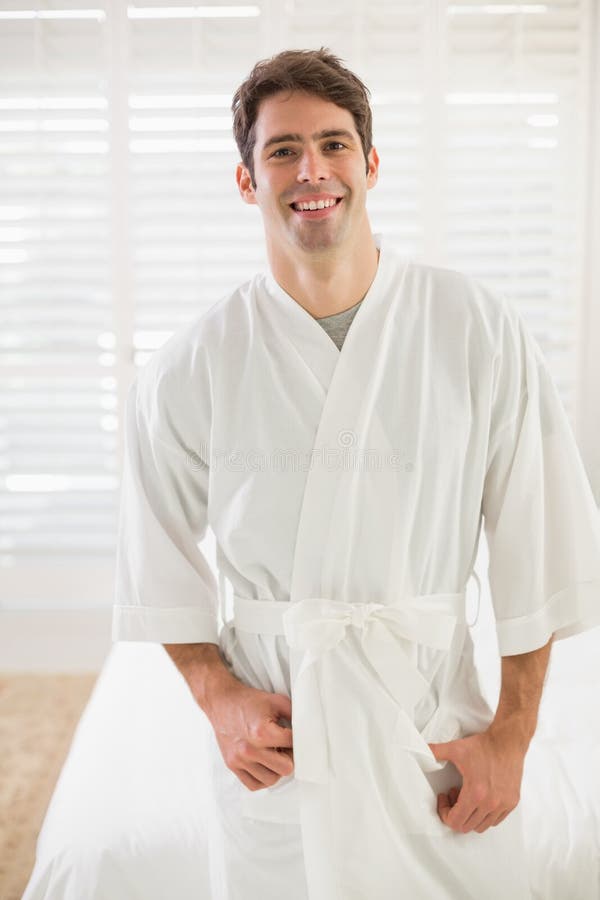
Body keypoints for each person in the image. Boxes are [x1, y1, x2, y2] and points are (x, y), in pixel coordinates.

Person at [112, 47, 600, 900]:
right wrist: (216, 694)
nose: (313, 170)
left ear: (370, 165)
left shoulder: (474, 327)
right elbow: (155, 553)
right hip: (283, 743)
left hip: (433, 724)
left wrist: (513, 736)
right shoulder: (196, 362)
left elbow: (541, 535)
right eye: (282, 149)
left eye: (335, 145)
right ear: (245, 180)